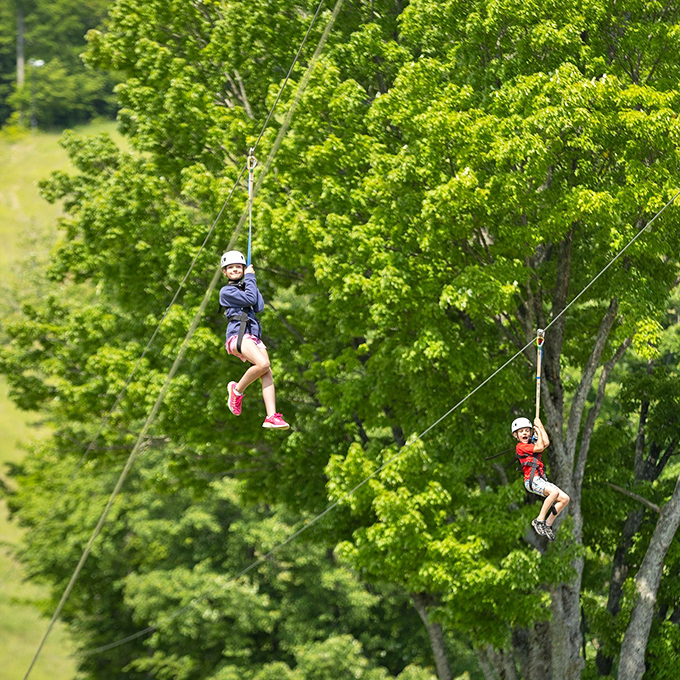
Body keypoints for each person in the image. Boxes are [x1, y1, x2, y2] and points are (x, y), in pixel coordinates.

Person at [219, 250, 289, 429]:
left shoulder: (245, 286)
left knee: (266, 371)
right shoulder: (226, 291)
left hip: (252, 336)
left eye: (238, 267)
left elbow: (258, 306)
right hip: (238, 335)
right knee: (263, 364)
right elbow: (249, 298)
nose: (235, 270)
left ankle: (271, 415)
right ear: (225, 272)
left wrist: (250, 280)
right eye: (231, 268)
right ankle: (237, 390)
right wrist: (249, 279)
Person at [512, 416, 569, 540]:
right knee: (553, 493)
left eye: (527, 430)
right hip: (532, 480)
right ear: (516, 435)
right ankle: (539, 520)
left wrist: (540, 426)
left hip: (540, 479)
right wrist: (537, 432)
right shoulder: (521, 447)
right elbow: (539, 447)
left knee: (564, 499)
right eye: (521, 432)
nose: (525, 433)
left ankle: (547, 524)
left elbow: (546, 443)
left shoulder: (532, 442)